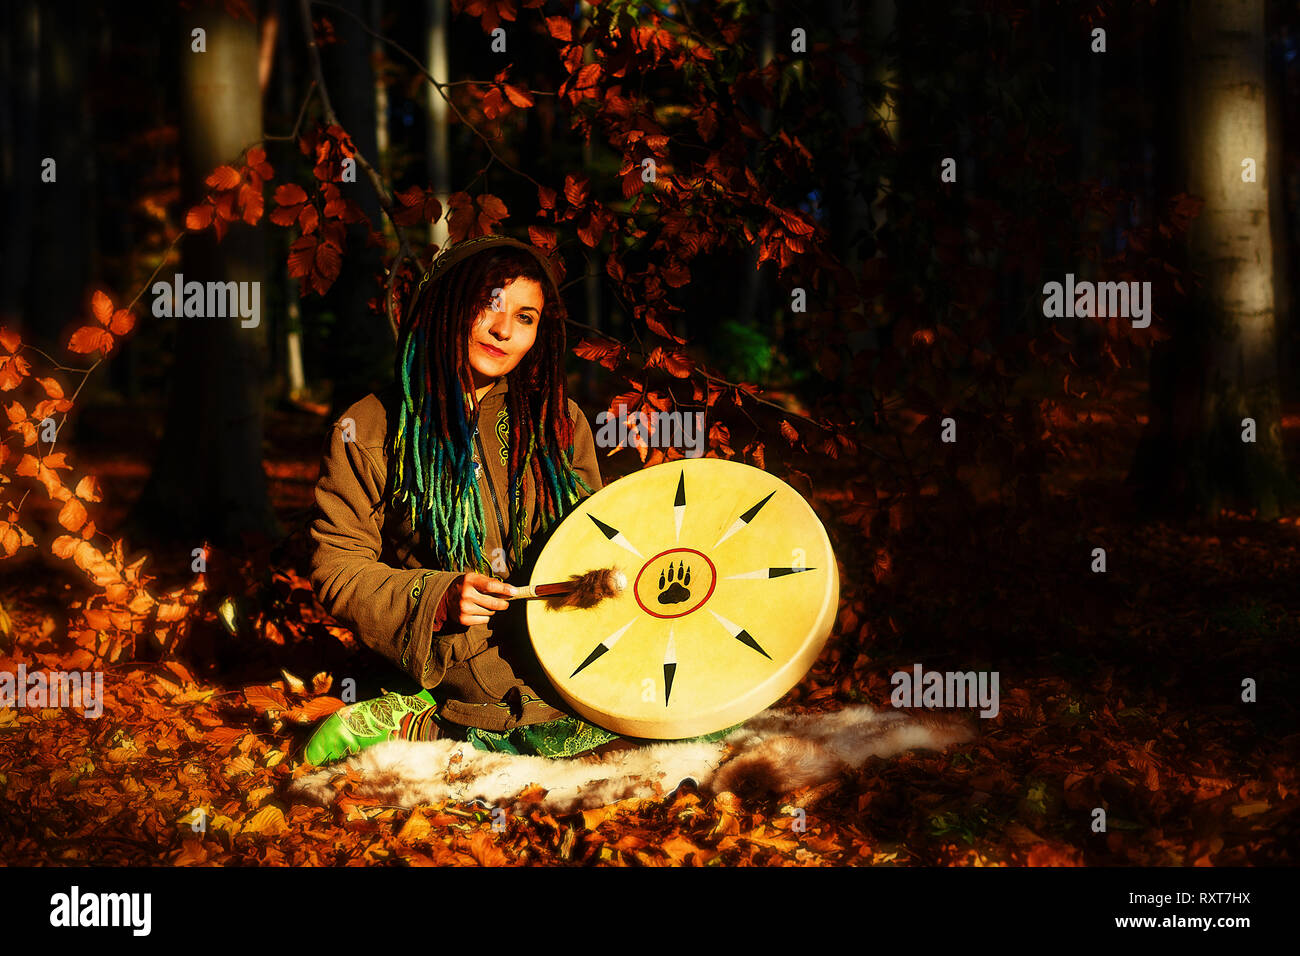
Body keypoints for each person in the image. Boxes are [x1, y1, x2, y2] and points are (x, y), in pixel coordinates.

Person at [302, 235, 626, 763]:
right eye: (490, 305)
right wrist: (437, 597)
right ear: (449, 304)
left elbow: (597, 536)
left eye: (526, 317)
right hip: (456, 647)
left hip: (564, 635)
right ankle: (416, 715)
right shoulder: (369, 426)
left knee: (669, 710)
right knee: (537, 729)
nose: (504, 330)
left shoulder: (559, 422)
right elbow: (337, 566)